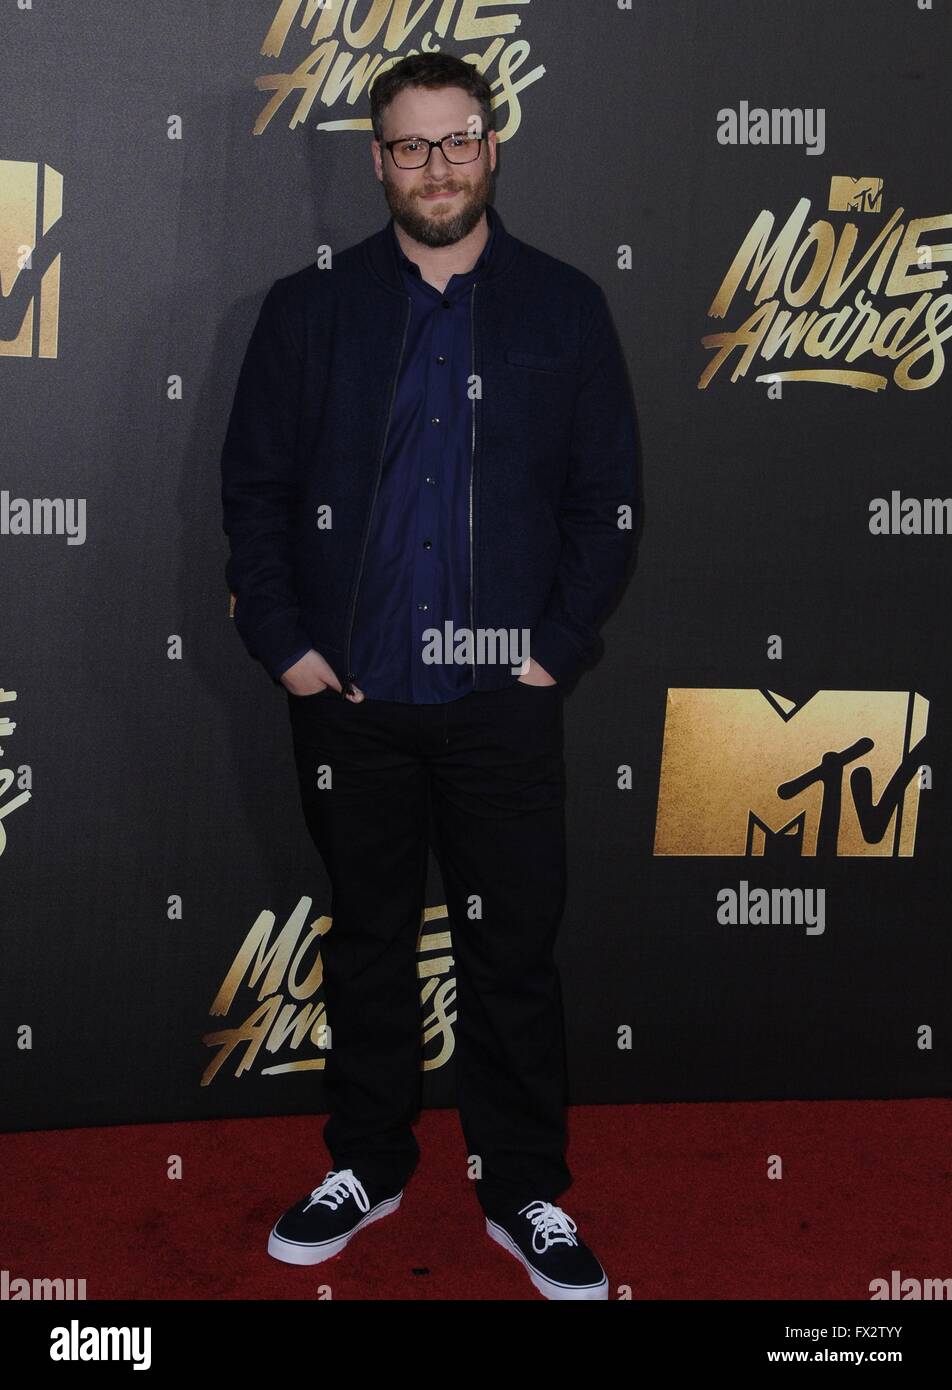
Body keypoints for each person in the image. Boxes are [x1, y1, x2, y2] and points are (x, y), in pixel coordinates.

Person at [220, 51, 638, 1301]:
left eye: (456, 140)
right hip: (354, 707)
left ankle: (521, 1188)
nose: (437, 166)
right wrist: (287, 649)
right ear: (376, 162)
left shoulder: (563, 308)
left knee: (513, 950)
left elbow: (605, 504)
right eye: (410, 147)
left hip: (499, 709)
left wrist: (548, 656)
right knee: (366, 946)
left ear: (492, 145)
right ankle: (369, 1160)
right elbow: (254, 493)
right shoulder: (311, 309)